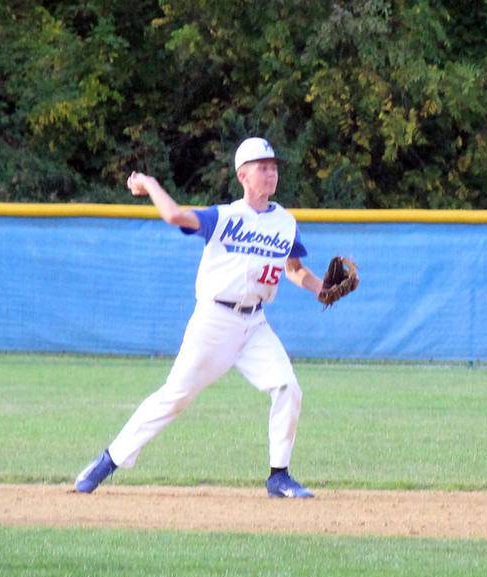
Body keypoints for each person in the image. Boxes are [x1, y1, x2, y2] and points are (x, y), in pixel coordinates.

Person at [75, 137, 324, 498]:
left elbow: (295, 270)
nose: (271, 172)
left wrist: (321, 288)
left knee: (288, 387)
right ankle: (109, 460)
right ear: (243, 174)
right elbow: (175, 215)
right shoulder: (224, 216)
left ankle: (279, 476)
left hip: (255, 324)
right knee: (175, 397)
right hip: (215, 321)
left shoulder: (285, 222)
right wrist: (149, 184)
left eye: (273, 167)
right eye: (263, 167)